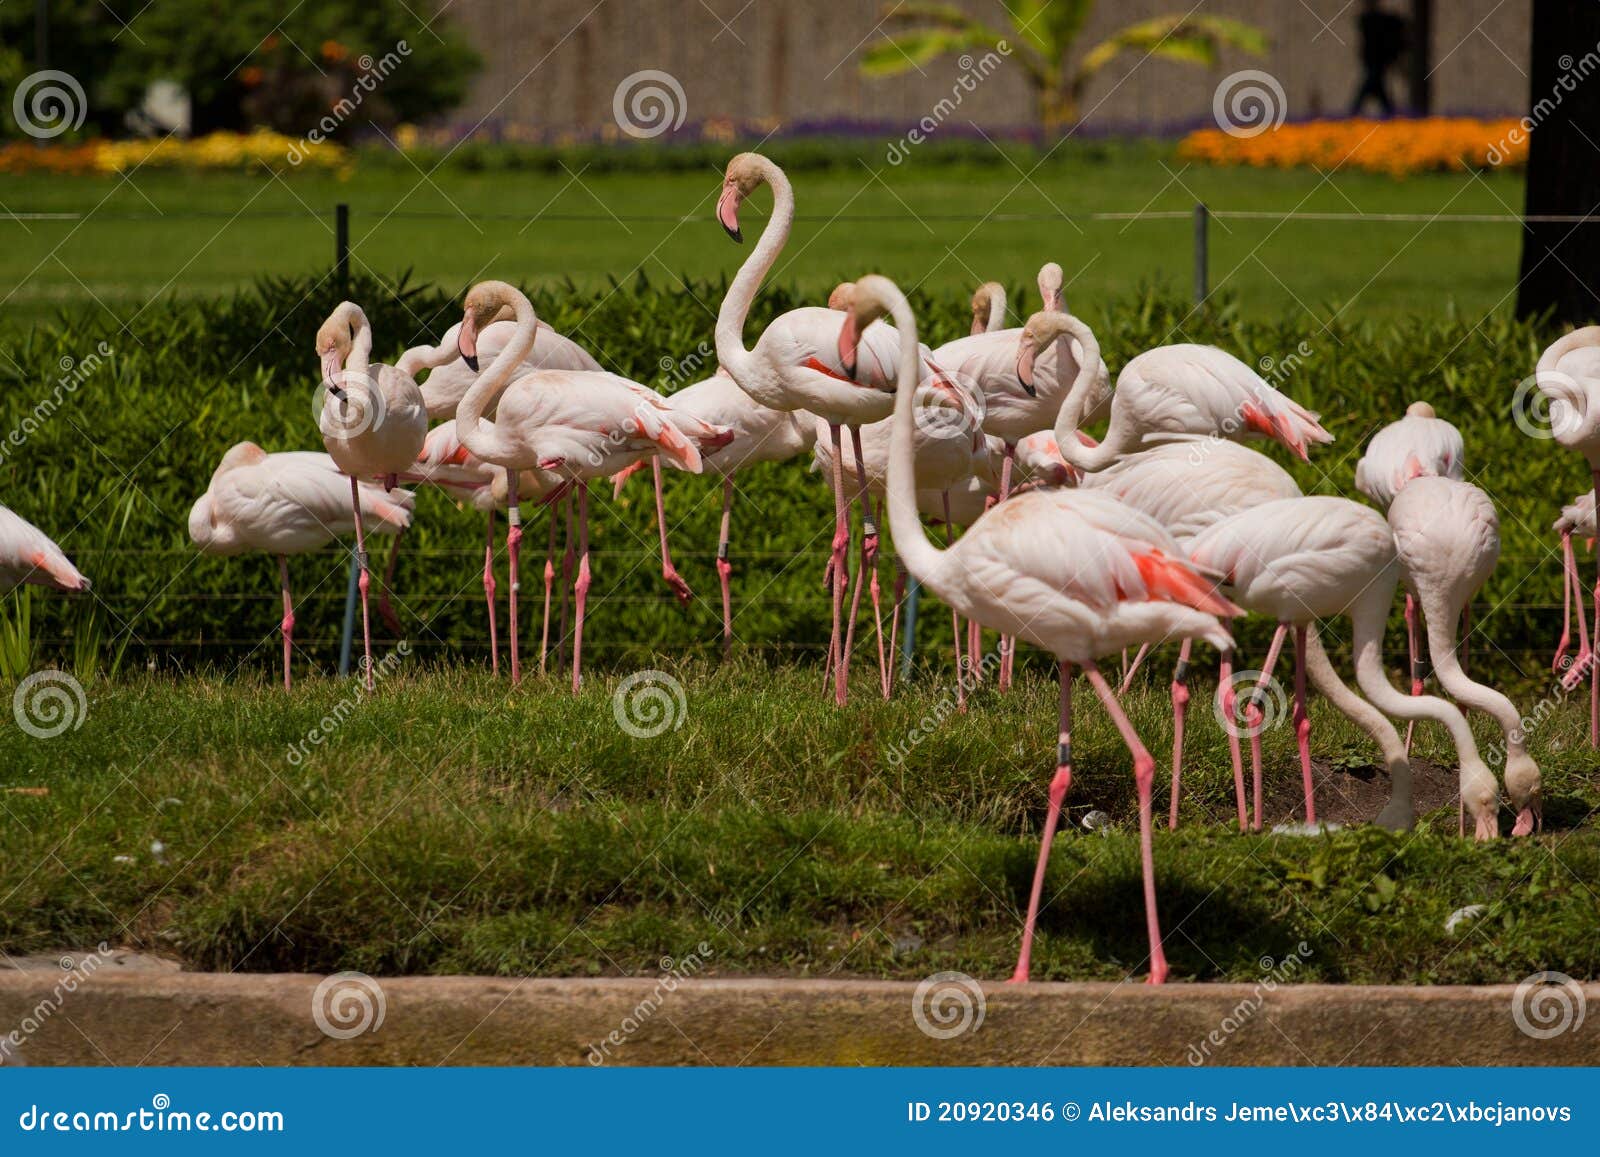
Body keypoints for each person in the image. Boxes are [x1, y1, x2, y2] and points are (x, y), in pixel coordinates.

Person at [1351, 0, 1407, 116]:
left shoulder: (1374, 21)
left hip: (1377, 64)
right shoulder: (1369, 21)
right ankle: (1390, 115)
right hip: (1375, 64)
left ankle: (1352, 114)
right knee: (1376, 89)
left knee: (1371, 87)